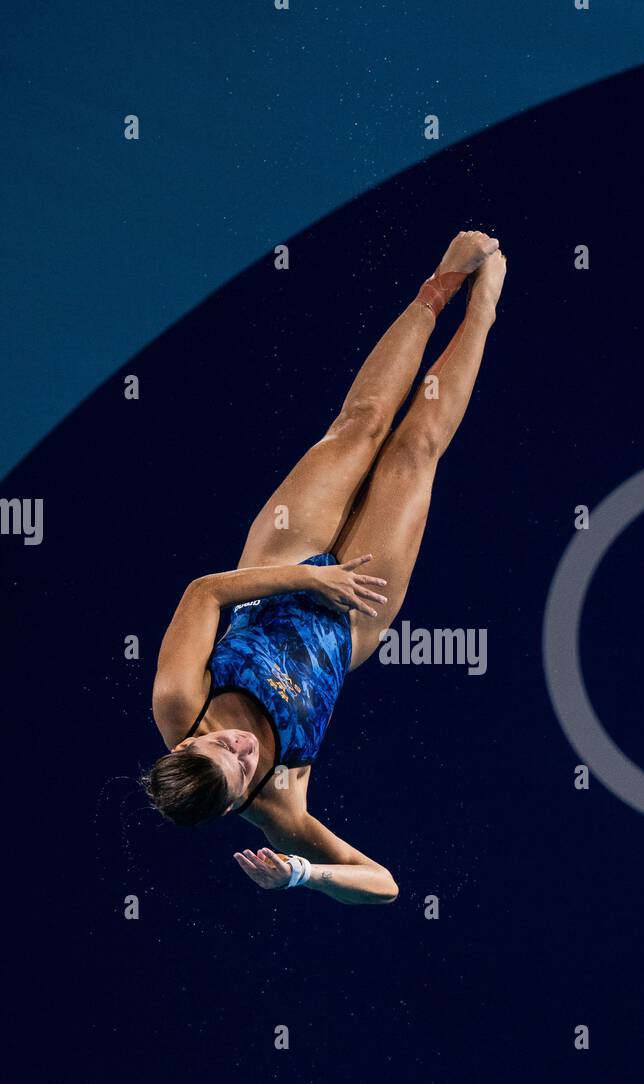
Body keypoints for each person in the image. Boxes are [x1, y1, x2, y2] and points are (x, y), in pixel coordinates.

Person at [143, 230, 506, 905]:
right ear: (232, 807)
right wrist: (305, 873)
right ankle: (483, 310)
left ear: (180, 748)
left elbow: (206, 591)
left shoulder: (176, 703)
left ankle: (439, 288)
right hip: (351, 622)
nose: (241, 751)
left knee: (362, 423)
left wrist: (310, 577)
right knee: (414, 451)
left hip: (282, 564)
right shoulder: (275, 810)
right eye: (241, 768)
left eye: (219, 747)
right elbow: (384, 885)